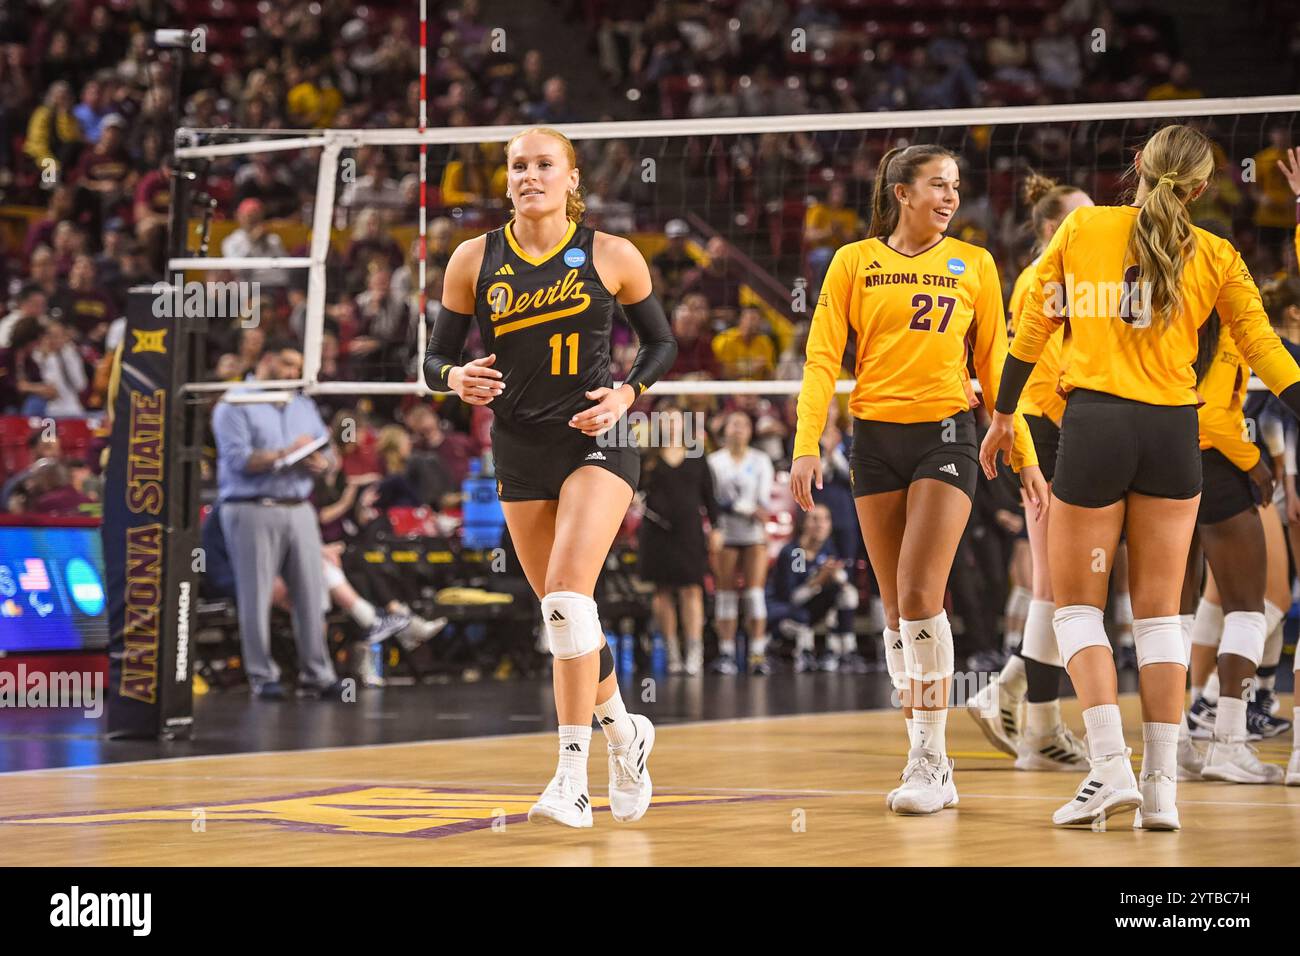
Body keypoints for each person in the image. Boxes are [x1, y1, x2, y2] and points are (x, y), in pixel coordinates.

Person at [981, 124, 1300, 829]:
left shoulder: (1084, 226)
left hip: (1095, 428)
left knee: (1077, 610)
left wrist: (1005, 415)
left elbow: (1031, 330)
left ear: (1137, 166)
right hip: (1172, 436)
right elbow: (1266, 350)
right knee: (1163, 618)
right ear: (1203, 188)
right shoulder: (1217, 252)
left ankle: (1108, 769)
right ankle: (1161, 793)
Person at [424, 126, 676, 829]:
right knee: (567, 616)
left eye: (544, 164)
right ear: (507, 180)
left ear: (572, 178)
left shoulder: (612, 254)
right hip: (519, 447)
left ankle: (571, 778)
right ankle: (626, 736)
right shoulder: (474, 259)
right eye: (517, 166)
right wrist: (455, 377)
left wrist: (627, 395)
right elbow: (434, 358)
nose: (529, 175)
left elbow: (661, 341)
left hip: (595, 439)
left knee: (568, 593)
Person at [791, 143, 1046, 816]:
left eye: (956, 186)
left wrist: (1023, 456)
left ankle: (930, 758)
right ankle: (923, 748)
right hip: (874, 439)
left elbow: (996, 366)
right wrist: (806, 442)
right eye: (938, 185)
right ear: (901, 192)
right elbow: (821, 358)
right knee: (895, 609)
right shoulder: (855, 262)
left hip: (946, 435)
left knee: (919, 590)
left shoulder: (976, 264)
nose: (951, 196)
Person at [967, 172, 1093, 771]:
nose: (1092, 226)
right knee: (1058, 584)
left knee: (1062, 583)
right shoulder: (1048, 279)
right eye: (1079, 216)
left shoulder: (1068, 276)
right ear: (1051, 228)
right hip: (1045, 431)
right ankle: (1035, 723)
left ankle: (1015, 696)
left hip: (1056, 428)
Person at [1174, 313, 1289, 785]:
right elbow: (1213, 413)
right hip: (1215, 466)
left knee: (1169, 615)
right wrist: (1255, 462)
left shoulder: (1166, 319)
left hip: (1161, 464)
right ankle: (1228, 742)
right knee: (1249, 609)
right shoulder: (1224, 328)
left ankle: (1173, 744)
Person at [211, 346, 345, 700]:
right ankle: (262, 676)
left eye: (297, 367)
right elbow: (238, 460)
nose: (291, 373)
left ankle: (317, 673)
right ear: (266, 360)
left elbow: (330, 454)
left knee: (312, 592)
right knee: (255, 594)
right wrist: (288, 454)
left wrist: (323, 464)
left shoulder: (303, 404)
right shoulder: (234, 403)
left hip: (300, 506)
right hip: (251, 505)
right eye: (286, 364)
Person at [637, 403, 718, 676]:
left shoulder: (697, 455)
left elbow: (710, 494)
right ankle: (671, 651)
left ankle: (694, 652)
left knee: (692, 589)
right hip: (656, 531)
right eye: (666, 420)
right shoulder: (647, 456)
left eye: (676, 420)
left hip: (689, 531)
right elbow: (632, 489)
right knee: (662, 591)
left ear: (685, 425)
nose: (671, 425)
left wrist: (717, 527)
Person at [707, 410, 774, 674]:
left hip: (753, 533)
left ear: (750, 431)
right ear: (724, 429)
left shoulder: (761, 460)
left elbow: (764, 501)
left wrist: (744, 508)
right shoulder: (714, 462)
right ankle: (727, 654)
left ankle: (757, 653)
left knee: (755, 594)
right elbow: (713, 500)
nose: (739, 428)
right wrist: (742, 507)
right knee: (725, 594)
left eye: (744, 424)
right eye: (734, 423)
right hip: (725, 532)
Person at [768, 503, 859, 673]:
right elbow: (791, 598)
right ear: (803, 523)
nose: (820, 524)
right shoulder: (797, 553)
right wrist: (819, 580)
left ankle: (844, 651)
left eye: (826, 519)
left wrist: (837, 577)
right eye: (814, 519)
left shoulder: (828, 548)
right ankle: (804, 653)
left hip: (812, 610)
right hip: (786, 614)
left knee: (846, 593)